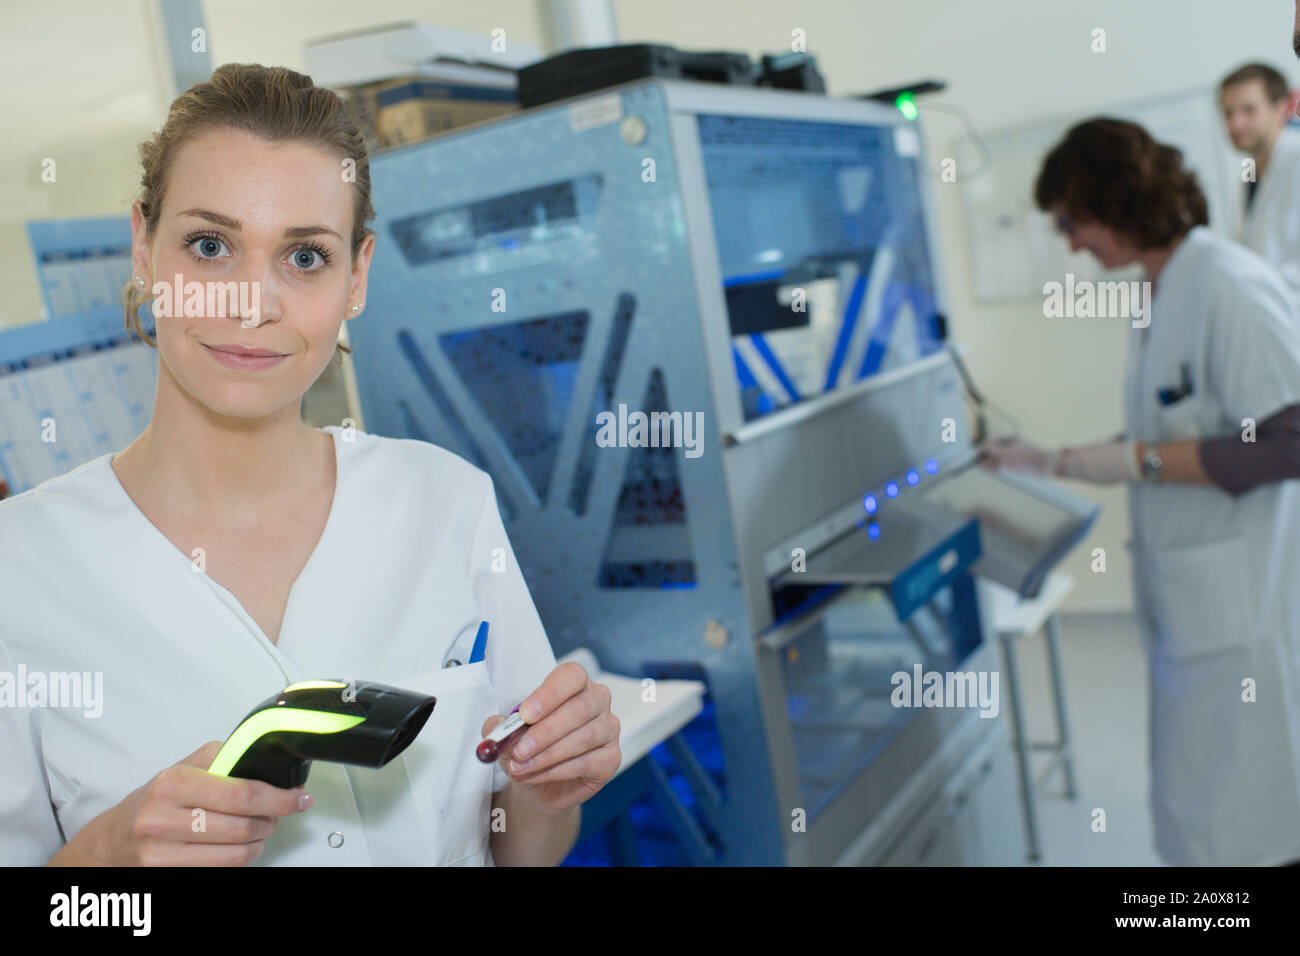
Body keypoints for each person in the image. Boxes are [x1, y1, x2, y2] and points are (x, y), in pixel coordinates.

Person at [0, 64, 620, 867]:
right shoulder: (21, 570)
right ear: (143, 250)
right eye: (210, 245)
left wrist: (549, 781)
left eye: (304, 258)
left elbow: (523, 849)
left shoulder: (446, 503)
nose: (252, 304)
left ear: (356, 276)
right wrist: (105, 858)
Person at [983, 118, 1300, 867]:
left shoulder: (1227, 283)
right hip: (1197, 611)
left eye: (1073, 221)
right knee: (1206, 819)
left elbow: (1289, 440)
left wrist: (1130, 463)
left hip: (1243, 614)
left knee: (1252, 823)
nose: (1071, 244)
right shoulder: (1163, 289)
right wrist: (1048, 460)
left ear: (1114, 200)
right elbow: (1159, 436)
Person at [1218, 62, 1300, 298]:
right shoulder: (1248, 178)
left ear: (1281, 107)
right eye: (1228, 113)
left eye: (1249, 110)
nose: (1236, 123)